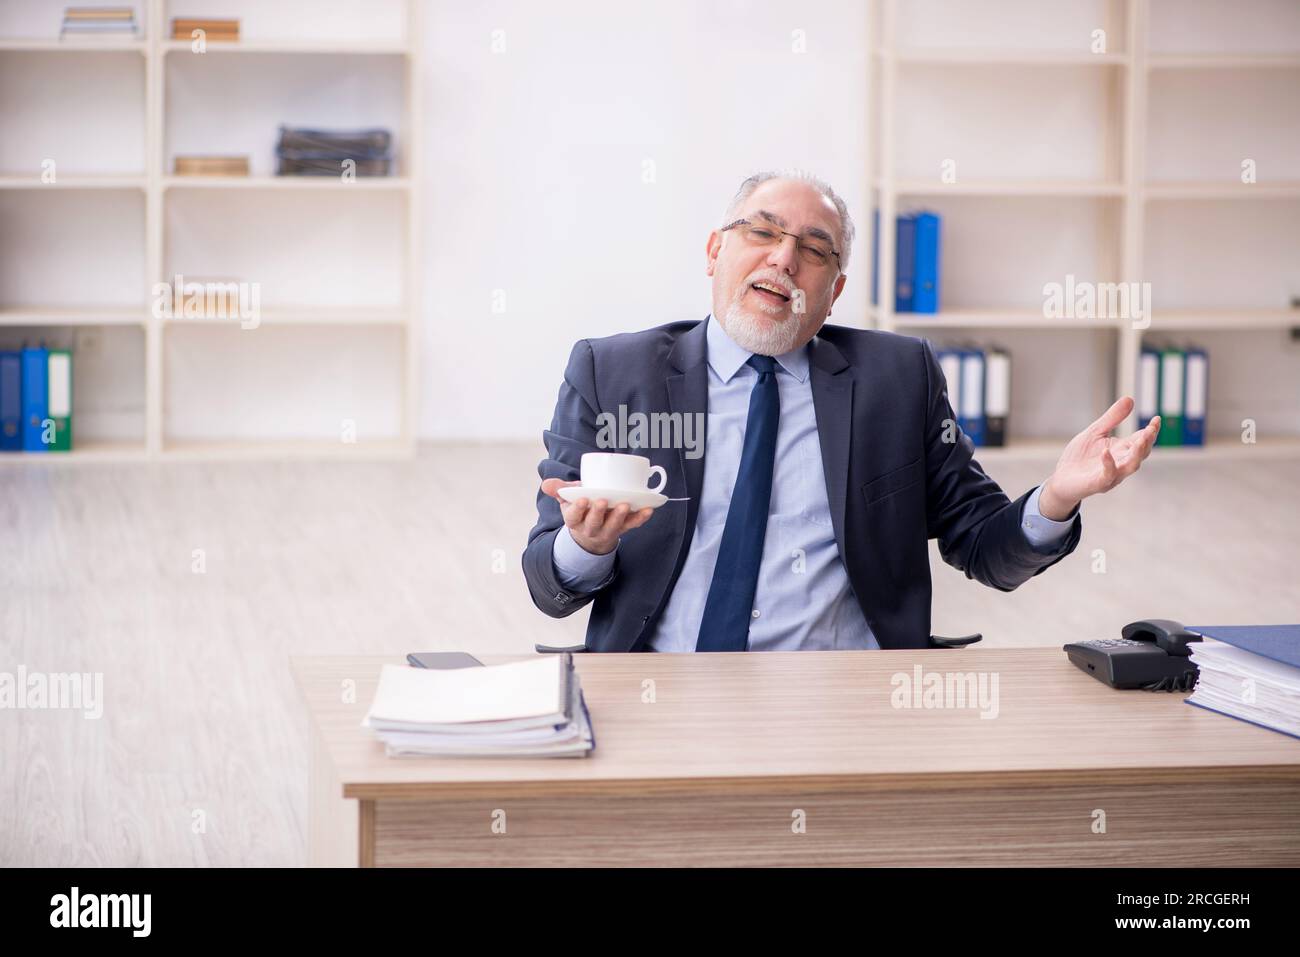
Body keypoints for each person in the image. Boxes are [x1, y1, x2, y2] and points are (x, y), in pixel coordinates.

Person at [522, 170, 1160, 652]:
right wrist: (586, 544)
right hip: (663, 689)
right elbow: (550, 585)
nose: (783, 258)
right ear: (715, 250)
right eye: (762, 232)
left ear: (834, 291)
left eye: (814, 249)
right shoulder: (613, 372)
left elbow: (983, 548)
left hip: (847, 697)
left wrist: (1055, 497)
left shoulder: (896, 378)